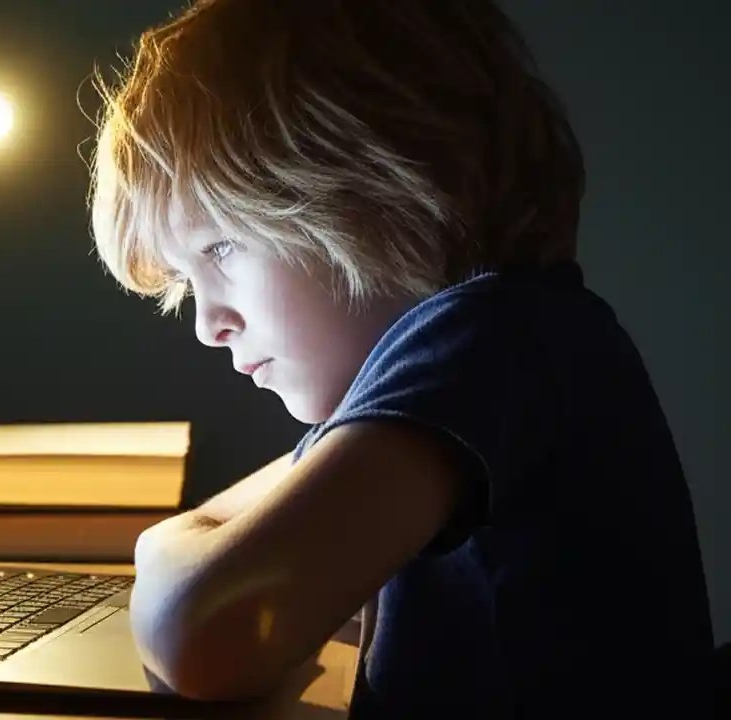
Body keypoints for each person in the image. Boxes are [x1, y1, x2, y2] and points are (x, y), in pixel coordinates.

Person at [88, 0, 714, 716]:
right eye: (187, 280)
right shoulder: (476, 364)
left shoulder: (490, 340)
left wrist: (160, 547)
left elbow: (202, 635)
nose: (208, 325)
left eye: (222, 247)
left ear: (372, 179)